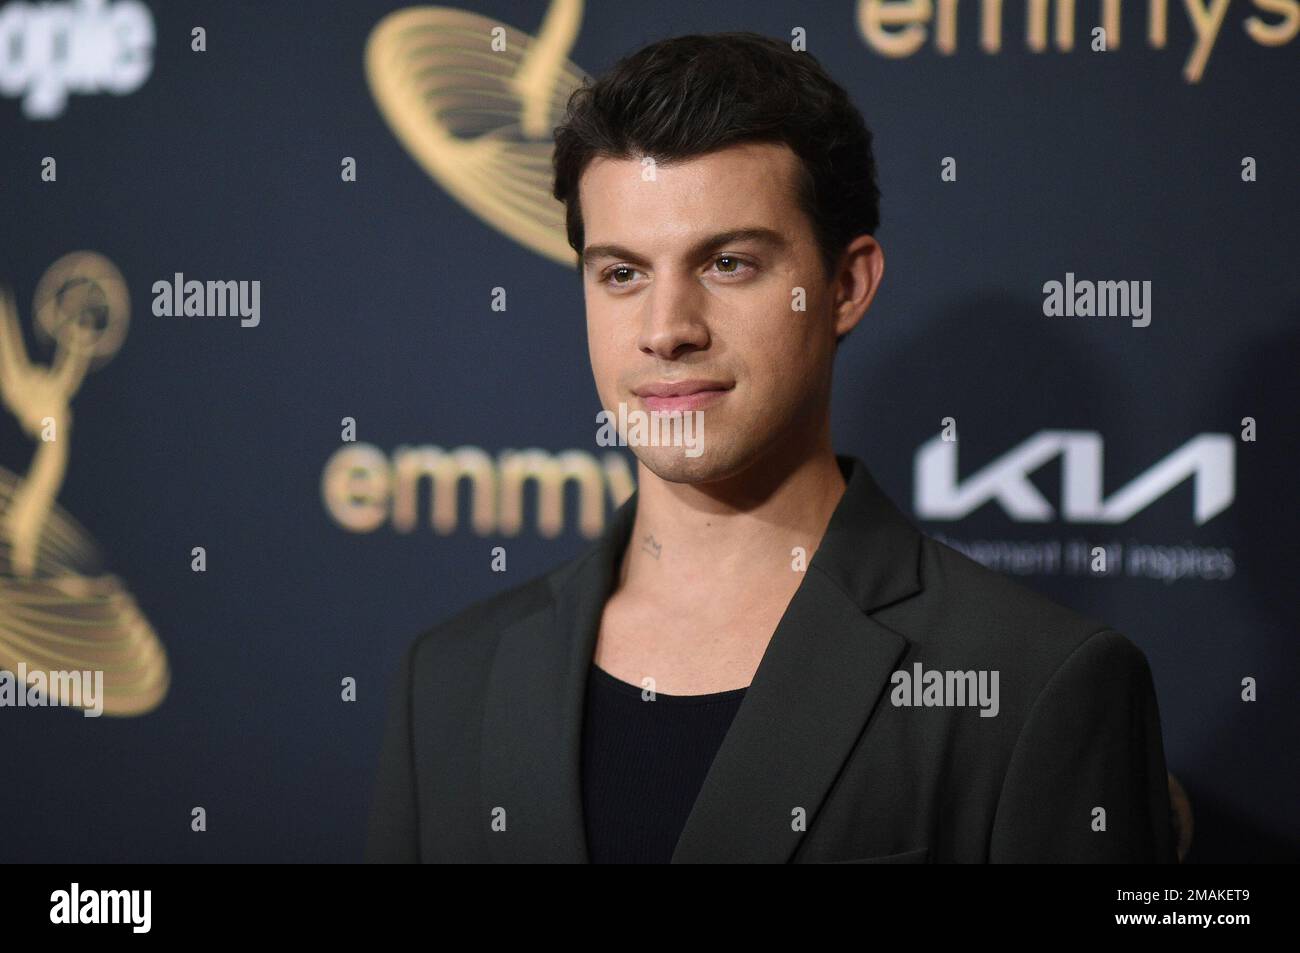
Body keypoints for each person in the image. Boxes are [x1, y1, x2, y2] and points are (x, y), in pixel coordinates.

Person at [365, 32, 1177, 863]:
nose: (665, 330)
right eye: (621, 273)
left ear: (846, 286)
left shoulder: (1037, 682)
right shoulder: (451, 679)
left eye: (727, 262)